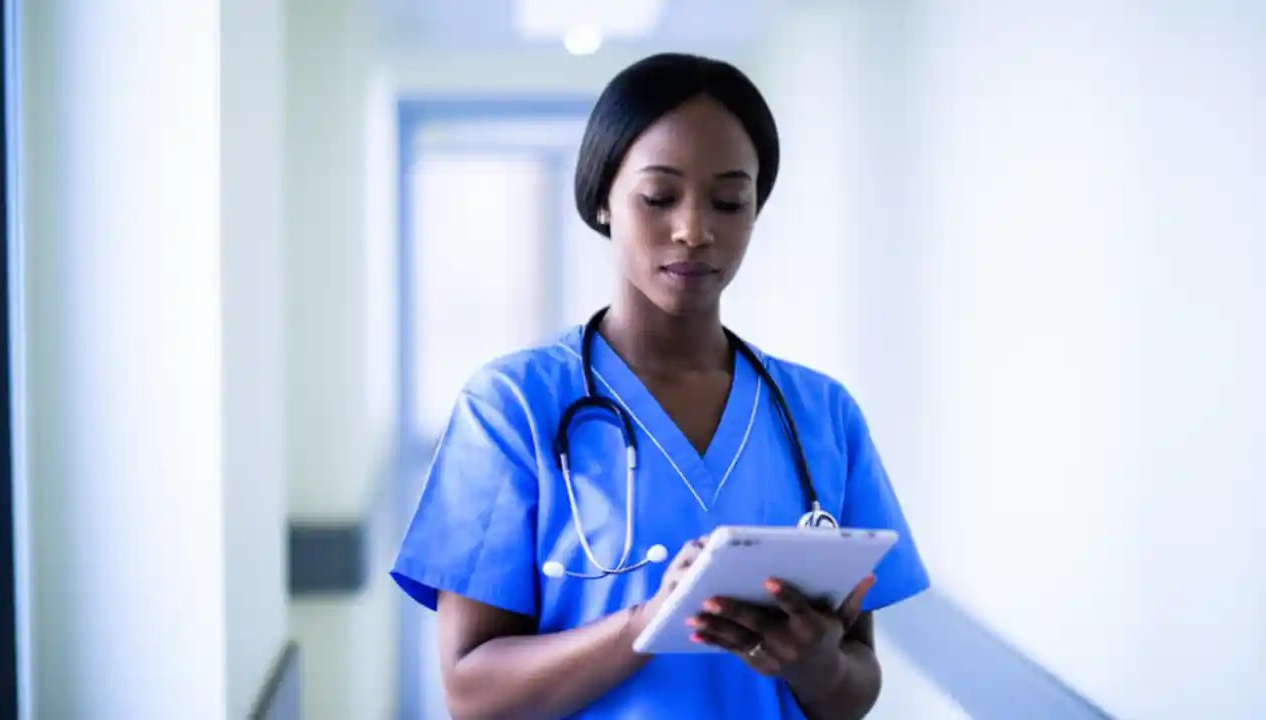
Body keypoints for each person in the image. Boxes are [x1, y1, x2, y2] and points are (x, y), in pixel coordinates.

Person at [391, 52, 929, 720]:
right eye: (659, 196)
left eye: (729, 200)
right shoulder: (512, 407)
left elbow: (855, 689)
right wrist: (649, 620)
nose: (695, 230)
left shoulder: (820, 414)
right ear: (601, 200)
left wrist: (816, 664)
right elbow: (473, 695)